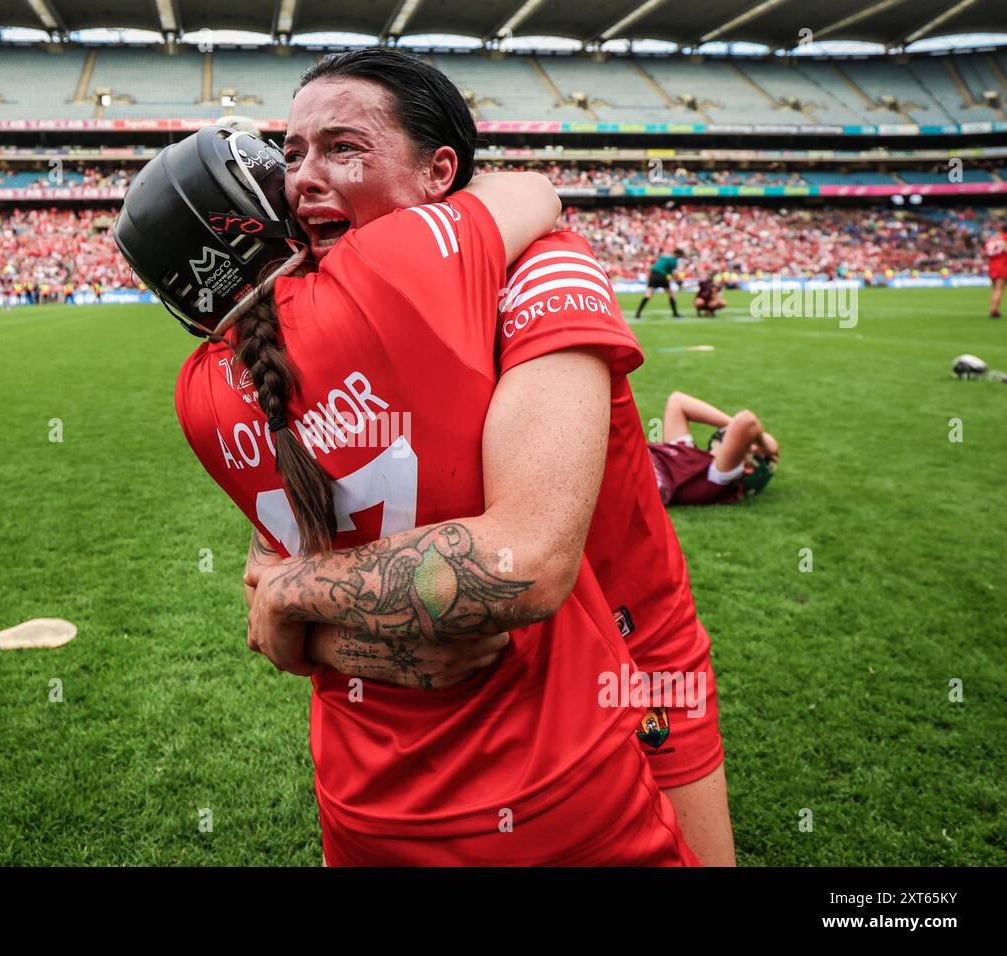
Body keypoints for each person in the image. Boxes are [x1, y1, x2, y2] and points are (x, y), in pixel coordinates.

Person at [116, 51, 697, 866]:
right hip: (558, 756)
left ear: (440, 171)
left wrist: (302, 614)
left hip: (387, 779)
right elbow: (515, 565)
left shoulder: (208, 385)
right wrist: (299, 613)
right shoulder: (403, 273)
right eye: (289, 156)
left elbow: (270, 597)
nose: (303, 180)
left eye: (341, 148)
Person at [649, 391, 778, 507]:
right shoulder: (685, 449)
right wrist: (762, 442)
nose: (753, 439)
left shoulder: (717, 476)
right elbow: (677, 401)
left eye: (750, 441)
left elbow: (747, 421)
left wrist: (765, 444)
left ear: (748, 468)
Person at [635, 247, 684, 319]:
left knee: (648, 294)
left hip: (654, 274)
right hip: (662, 275)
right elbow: (673, 273)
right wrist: (679, 283)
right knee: (671, 294)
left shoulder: (664, 257)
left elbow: (656, 266)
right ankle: (675, 313)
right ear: (678, 255)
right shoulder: (674, 260)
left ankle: (638, 313)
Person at [985, 225, 1006, 318]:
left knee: (995, 289)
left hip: (992, 265)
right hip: (1002, 264)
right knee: (999, 289)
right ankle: (994, 310)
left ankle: (993, 309)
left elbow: (987, 253)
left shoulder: (991, 240)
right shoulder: (1005, 238)